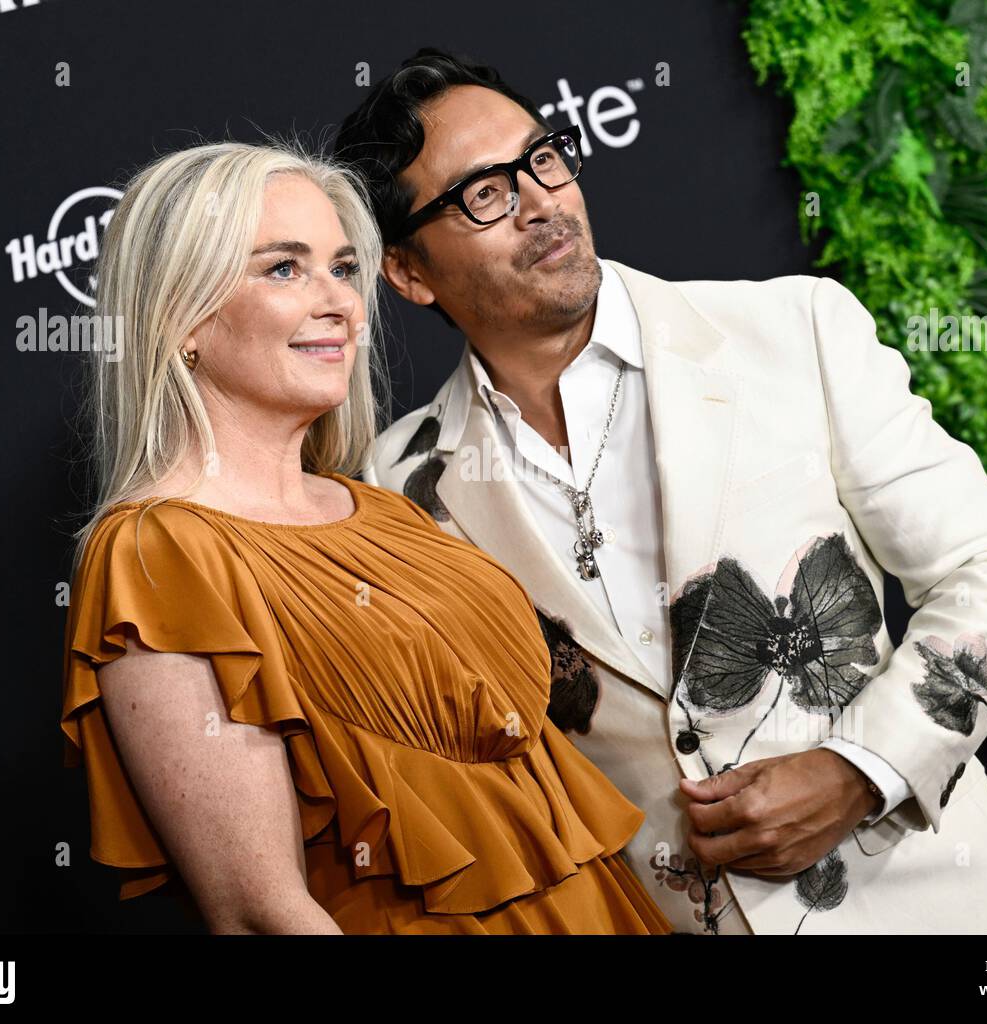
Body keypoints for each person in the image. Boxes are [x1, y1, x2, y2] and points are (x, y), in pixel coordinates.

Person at [338, 48, 987, 934]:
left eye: (544, 158)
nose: (542, 203)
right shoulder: (397, 485)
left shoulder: (793, 331)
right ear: (409, 273)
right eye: (485, 195)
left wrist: (860, 769)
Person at [58, 138, 673, 935]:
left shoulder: (384, 505)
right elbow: (258, 911)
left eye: (344, 269)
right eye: (284, 268)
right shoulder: (158, 554)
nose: (341, 304)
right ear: (181, 316)